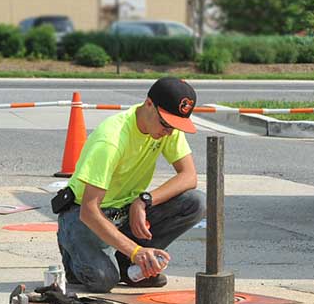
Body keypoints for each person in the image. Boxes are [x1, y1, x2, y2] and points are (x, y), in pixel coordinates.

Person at [54, 77, 205, 292]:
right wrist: (137, 251)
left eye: (175, 126)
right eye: (166, 124)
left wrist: (144, 201)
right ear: (149, 104)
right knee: (103, 281)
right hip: (83, 217)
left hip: (124, 212)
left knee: (195, 202)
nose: (170, 132)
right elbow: (89, 211)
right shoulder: (111, 139)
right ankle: (74, 256)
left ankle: (128, 263)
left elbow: (189, 176)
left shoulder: (166, 126)